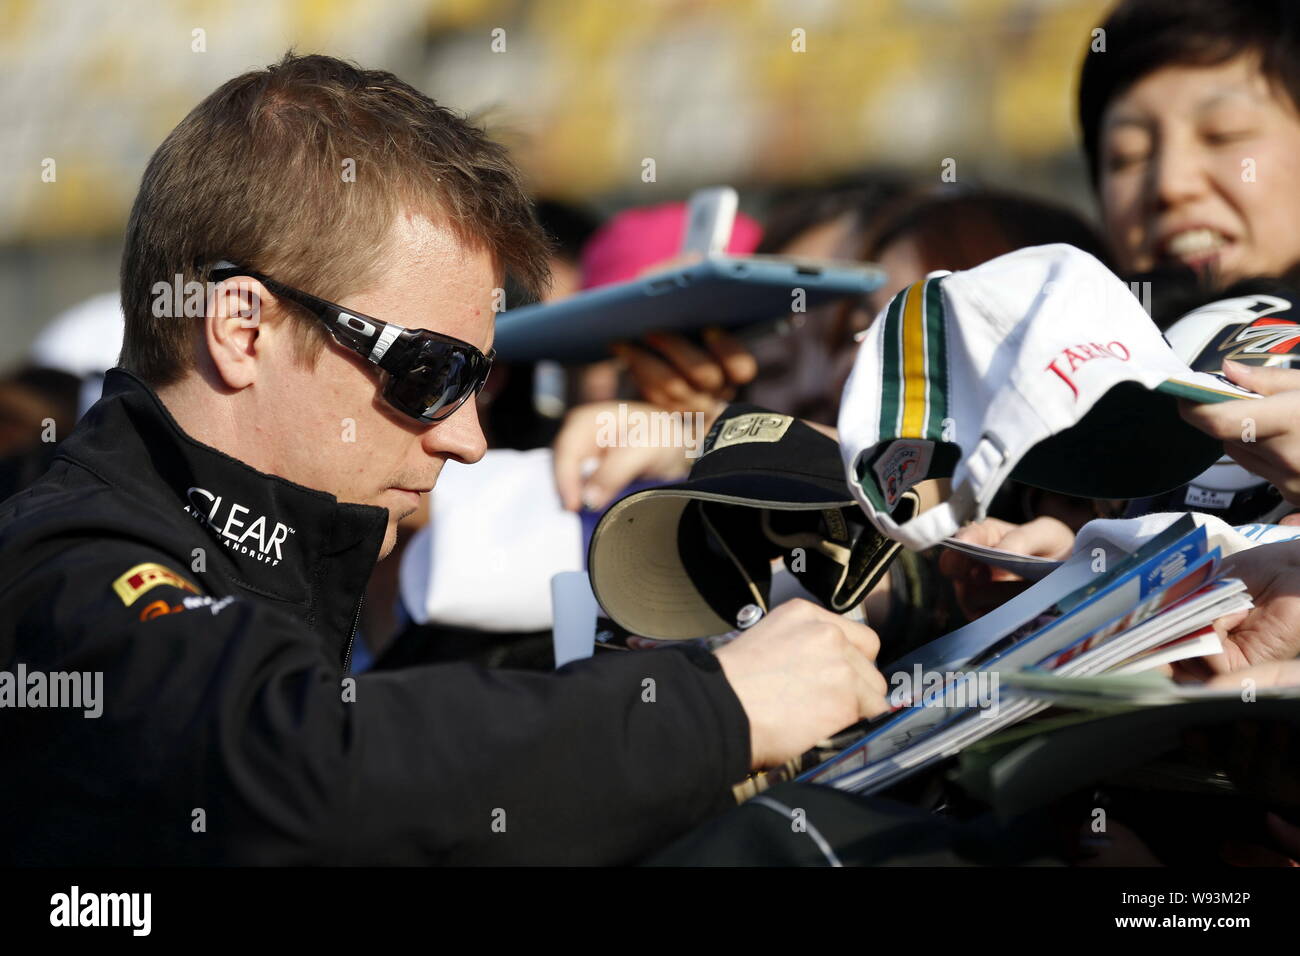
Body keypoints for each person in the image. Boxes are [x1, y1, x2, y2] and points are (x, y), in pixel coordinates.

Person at [0, 53, 890, 866]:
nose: (468, 438)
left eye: (483, 382)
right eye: (429, 371)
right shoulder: (69, 568)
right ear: (242, 329)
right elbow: (301, 766)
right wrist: (716, 711)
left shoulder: (269, 562)